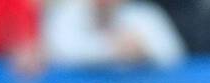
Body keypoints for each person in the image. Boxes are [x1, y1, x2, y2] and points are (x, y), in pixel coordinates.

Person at [44, 0, 187, 67]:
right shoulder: (66, 16)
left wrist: (144, 52)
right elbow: (60, 53)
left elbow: (175, 58)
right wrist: (111, 50)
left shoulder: (145, 16)